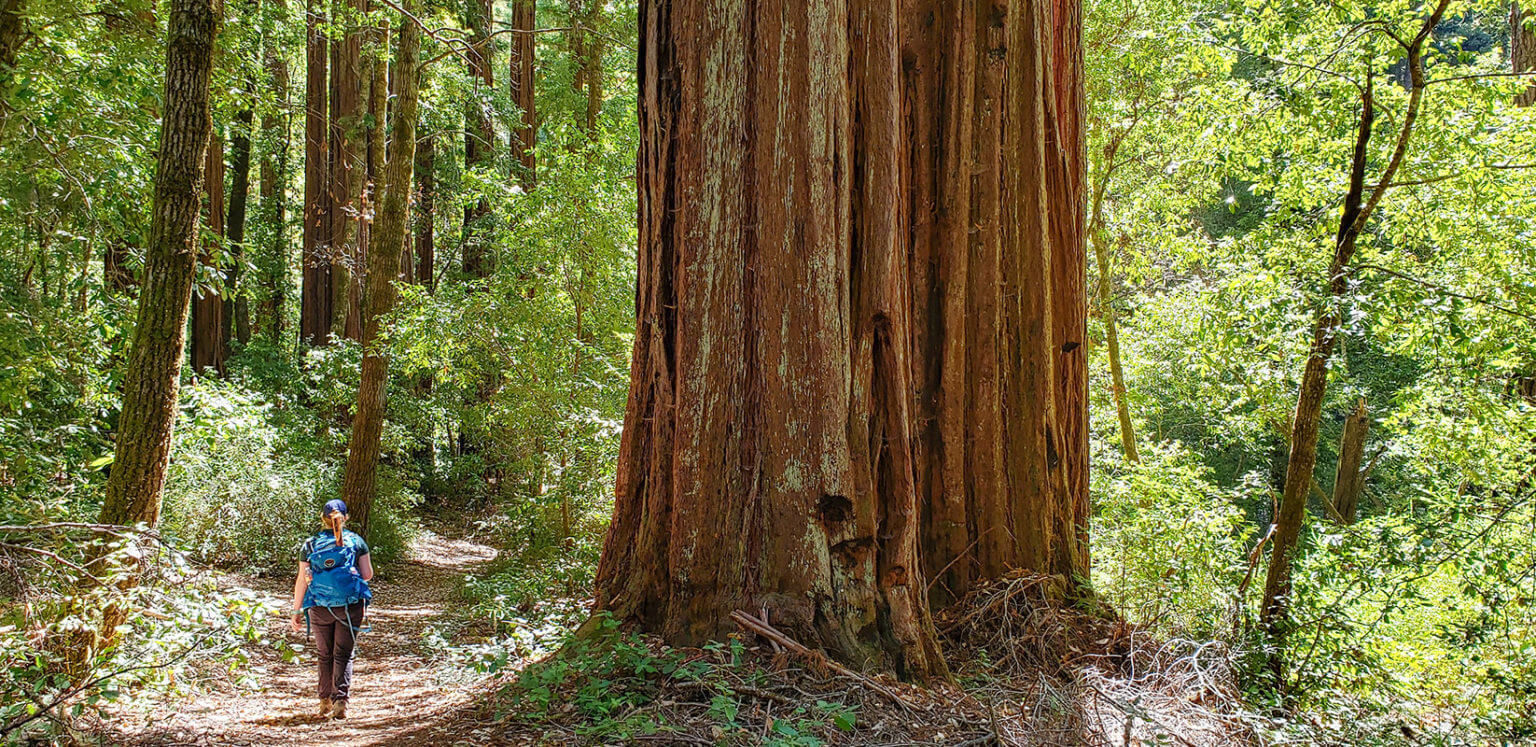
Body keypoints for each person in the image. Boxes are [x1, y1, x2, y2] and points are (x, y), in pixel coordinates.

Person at [290, 499, 374, 720]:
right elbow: (367, 575)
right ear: (345, 518)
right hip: (350, 606)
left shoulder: (309, 544)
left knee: (324, 654)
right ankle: (340, 702)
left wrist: (296, 610)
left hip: (319, 605)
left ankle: (324, 700)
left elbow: (302, 579)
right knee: (343, 654)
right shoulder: (356, 541)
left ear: (322, 518)